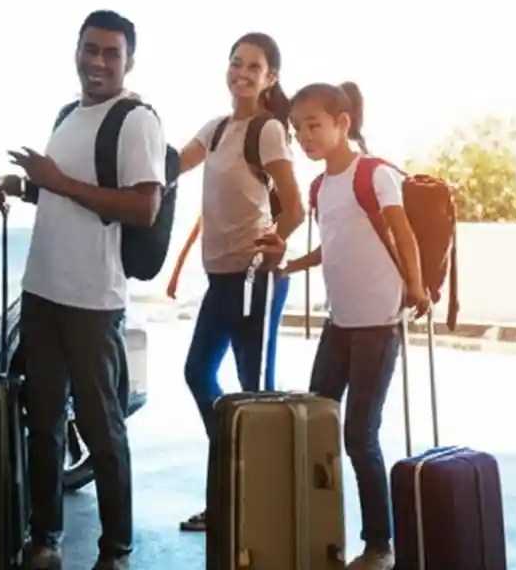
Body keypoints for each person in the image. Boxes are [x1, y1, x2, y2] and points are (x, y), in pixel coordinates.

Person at [0, 10, 166, 570]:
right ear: (76, 52)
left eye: (111, 52)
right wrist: (15, 185)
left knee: (101, 427)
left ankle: (116, 550)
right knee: (44, 423)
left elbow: (143, 205)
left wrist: (57, 181)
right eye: (90, 49)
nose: (98, 62)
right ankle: (46, 540)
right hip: (43, 290)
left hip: (93, 299)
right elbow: (58, 192)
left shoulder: (136, 120)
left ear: (128, 60)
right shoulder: (68, 116)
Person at [257, 81, 430, 570]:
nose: (305, 137)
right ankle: (320, 529)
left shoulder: (374, 175)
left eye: (314, 125)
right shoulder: (319, 187)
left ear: (342, 123)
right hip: (341, 325)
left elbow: (404, 236)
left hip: (378, 325)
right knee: (317, 425)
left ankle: (380, 546)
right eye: (298, 129)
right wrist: (291, 265)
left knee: (360, 434)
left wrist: (415, 289)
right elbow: (332, 247)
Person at [173, 32, 305, 533]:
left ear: (270, 77)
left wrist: (276, 240)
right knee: (197, 374)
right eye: (236, 63)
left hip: (255, 280)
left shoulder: (268, 131)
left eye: (254, 66)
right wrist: (133, 124)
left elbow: (295, 205)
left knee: (256, 393)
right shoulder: (216, 129)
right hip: (220, 280)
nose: (242, 73)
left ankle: (263, 510)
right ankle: (233, 487)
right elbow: (169, 165)